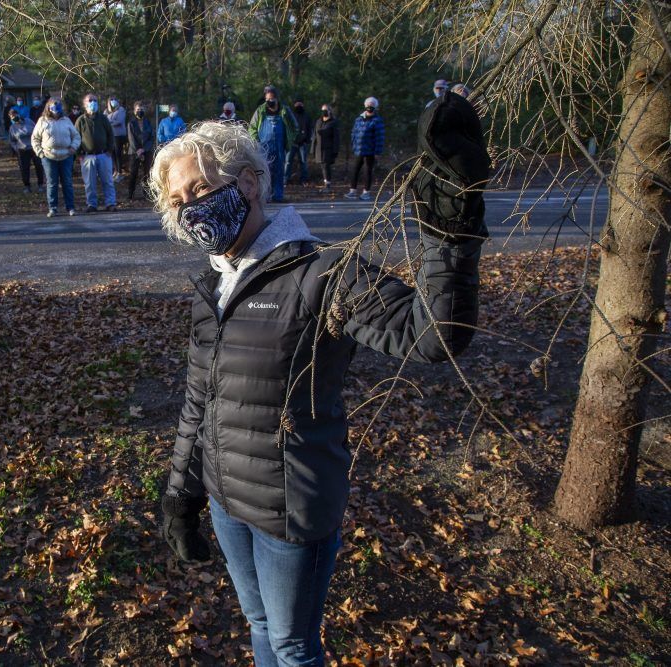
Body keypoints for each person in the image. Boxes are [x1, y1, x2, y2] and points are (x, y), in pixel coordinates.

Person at [151, 97, 489, 665]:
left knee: (291, 643)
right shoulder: (213, 289)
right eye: (179, 202)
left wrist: (449, 230)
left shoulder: (324, 274)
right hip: (226, 502)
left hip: (291, 511)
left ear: (251, 184)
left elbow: (434, 335)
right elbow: (199, 400)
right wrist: (182, 493)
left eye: (202, 191)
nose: (192, 210)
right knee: (259, 624)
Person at [248, 86, 297, 202]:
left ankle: (278, 196)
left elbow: (295, 127)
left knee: (279, 171)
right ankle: (265, 196)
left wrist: (289, 140)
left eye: (272, 99)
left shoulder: (284, 110)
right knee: (265, 171)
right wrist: (256, 141)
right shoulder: (260, 111)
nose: (269, 102)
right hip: (263, 147)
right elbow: (252, 128)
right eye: (267, 99)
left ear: (276, 99)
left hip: (280, 146)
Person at [32, 99, 80, 217]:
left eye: (58, 108)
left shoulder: (66, 120)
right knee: (52, 183)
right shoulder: (42, 121)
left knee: (67, 182)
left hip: (66, 156)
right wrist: (40, 153)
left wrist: (73, 147)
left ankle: (70, 207)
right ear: (48, 108)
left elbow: (76, 136)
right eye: (53, 108)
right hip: (48, 157)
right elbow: (35, 138)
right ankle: (52, 208)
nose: (56, 111)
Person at [75, 92, 118, 213]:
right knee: (89, 183)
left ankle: (110, 203)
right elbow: (75, 137)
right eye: (90, 101)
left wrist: (110, 150)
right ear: (85, 104)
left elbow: (110, 134)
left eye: (94, 100)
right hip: (88, 156)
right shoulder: (81, 120)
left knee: (108, 181)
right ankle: (91, 204)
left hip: (104, 155)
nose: (93, 103)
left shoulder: (103, 118)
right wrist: (79, 153)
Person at [346, 97, 385, 201]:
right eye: (368, 104)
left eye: (372, 105)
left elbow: (380, 137)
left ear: (375, 107)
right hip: (358, 150)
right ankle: (352, 191)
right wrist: (353, 145)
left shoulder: (377, 121)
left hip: (370, 151)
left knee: (367, 171)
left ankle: (366, 192)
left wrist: (378, 151)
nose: (369, 107)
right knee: (355, 170)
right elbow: (353, 133)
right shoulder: (358, 119)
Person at [8, 107, 44, 193]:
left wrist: (39, 144)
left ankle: (40, 185)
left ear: (18, 114)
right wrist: (16, 148)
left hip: (34, 148)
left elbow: (37, 131)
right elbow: (12, 141)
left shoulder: (28, 121)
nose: (13, 117)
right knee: (24, 169)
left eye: (14, 115)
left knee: (39, 166)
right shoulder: (12, 128)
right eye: (11, 116)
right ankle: (27, 186)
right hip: (22, 150)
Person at [126, 101, 154, 201]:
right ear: (134, 111)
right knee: (133, 173)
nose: (140, 111)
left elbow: (151, 137)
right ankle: (130, 194)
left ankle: (146, 193)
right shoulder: (131, 123)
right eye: (138, 109)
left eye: (141, 109)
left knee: (147, 173)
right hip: (134, 152)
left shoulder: (148, 122)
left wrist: (144, 149)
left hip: (147, 151)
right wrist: (138, 150)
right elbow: (131, 138)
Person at [311, 104, 341, 189]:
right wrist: (312, 149)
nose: (324, 111)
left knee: (326, 166)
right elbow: (315, 135)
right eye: (322, 110)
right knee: (322, 166)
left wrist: (335, 150)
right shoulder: (318, 121)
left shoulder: (333, 122)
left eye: (325, 110)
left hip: (328, 148)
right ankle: (326, 182)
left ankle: (327, 184)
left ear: (329, 111)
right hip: (319, 148)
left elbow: (336, 137)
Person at [285, 98, 312, 186]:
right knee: (288, 162)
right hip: (292, 143)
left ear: (303, 105)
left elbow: (309, 129)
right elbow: (287, 128)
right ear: (294, 105)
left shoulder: (307, 116)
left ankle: (304, 180)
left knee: (303, 162)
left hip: (302, 143)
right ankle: (285, 180)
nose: (298, 105)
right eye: (297, 104)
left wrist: (307, 140)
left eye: (300, 104)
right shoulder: (291, 116)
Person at [106, 97, 127, 181]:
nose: (113, 101)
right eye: (111, 100)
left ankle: (120, 172)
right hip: (111, 136)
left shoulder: (121, 110)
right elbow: (105, 120)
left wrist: (110, 122)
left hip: (119, 135)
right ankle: (116, 171)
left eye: (114, 99)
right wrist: (112, 121)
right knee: (113, 154)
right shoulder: (107, 111)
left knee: (118, 154)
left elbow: (119, 121)